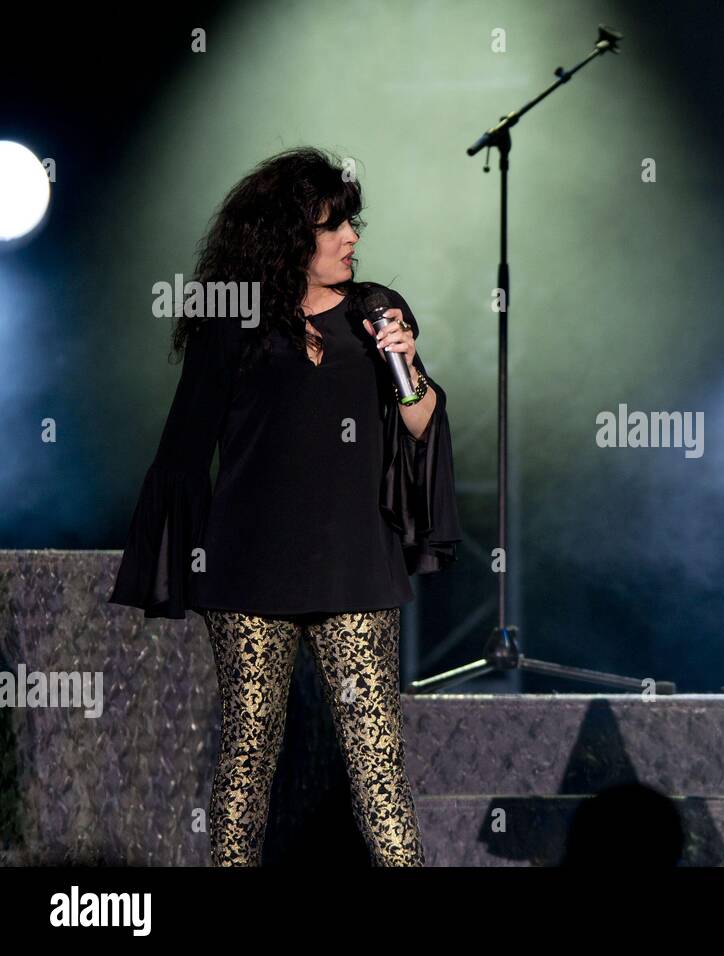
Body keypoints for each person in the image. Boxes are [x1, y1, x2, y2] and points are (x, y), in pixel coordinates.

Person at [108, 146, 462, 866]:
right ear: (290, 235)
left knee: (378, 762)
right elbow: (185, 445)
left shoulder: (374, 314)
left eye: (352, 225)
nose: (352, 239)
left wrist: (407, 364)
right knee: (247, 752)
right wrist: (172, 560)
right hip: (249, 567)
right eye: (334, 227)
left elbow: (421, 421)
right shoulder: (232, 319)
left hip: (355, 564)